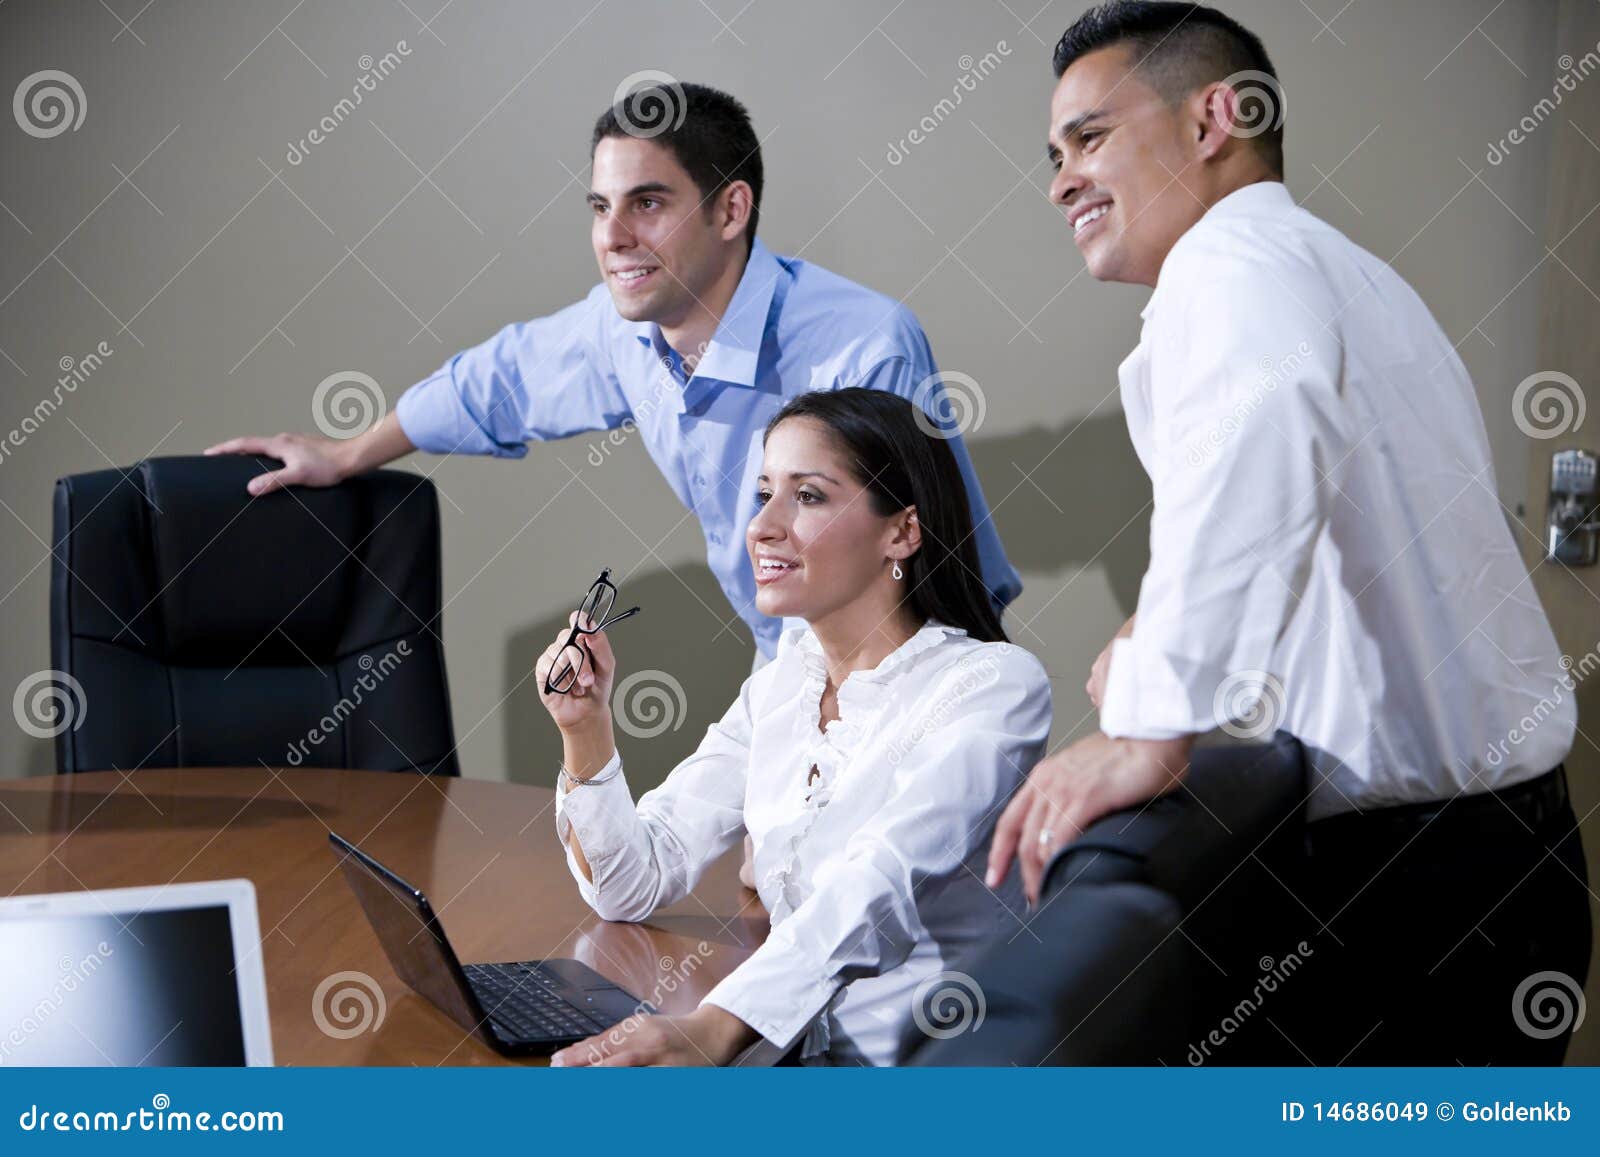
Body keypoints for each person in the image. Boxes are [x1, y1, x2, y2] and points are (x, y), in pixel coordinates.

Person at [988, 0, 1590, 1064]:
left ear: (1214, 117)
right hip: (1494, 853)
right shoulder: (1326, 268)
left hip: (1420, 885)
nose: (1060, 181)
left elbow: (1264, 426)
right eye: (1054, 154)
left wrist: (1154, 720)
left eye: (1089, 138)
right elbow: (1327, 507)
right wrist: (1156, 634)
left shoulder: (1231, 264)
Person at [536, 388, 1051, 1066]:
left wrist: (717, 1025)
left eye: (807, 496)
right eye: (763, 494)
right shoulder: (783, 682)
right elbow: (634, 880)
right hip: (795, 1055)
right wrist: (586, 731)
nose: (762, 526)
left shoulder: (994, 686)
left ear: (901, 531)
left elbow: (878, 882)